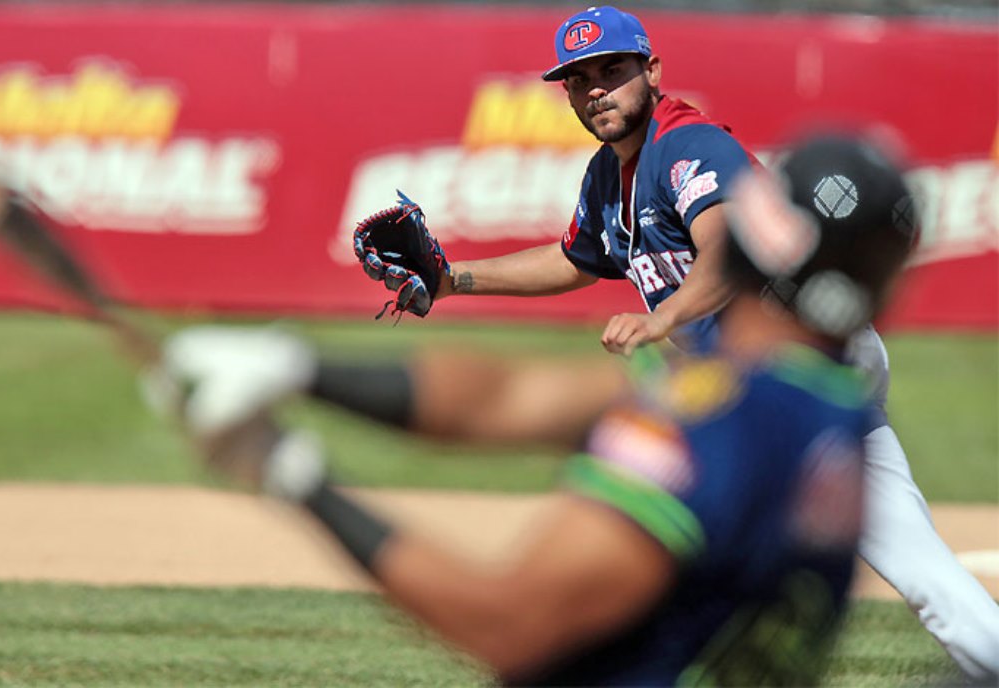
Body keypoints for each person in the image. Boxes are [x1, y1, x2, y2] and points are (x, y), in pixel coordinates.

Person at [157, 7, 999, 680]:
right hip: (766, 395)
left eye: (612, 71)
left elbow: (731, 251)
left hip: (785, 372)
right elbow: (571, 262)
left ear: (651, 71)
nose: (596, 89)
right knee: (901, 576)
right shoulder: (613, 174)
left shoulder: (687, 145)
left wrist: (664, 319)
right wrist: (454, 282)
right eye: (579, 79)